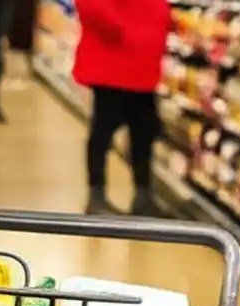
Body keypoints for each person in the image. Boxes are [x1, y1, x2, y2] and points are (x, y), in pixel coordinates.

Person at [73, 0, 170, 215]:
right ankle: (96, 195)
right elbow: (91, 6)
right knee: (103, 130)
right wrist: (121, 29)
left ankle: (143, 195)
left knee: (143, 132)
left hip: (143, 63)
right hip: (114, 58)